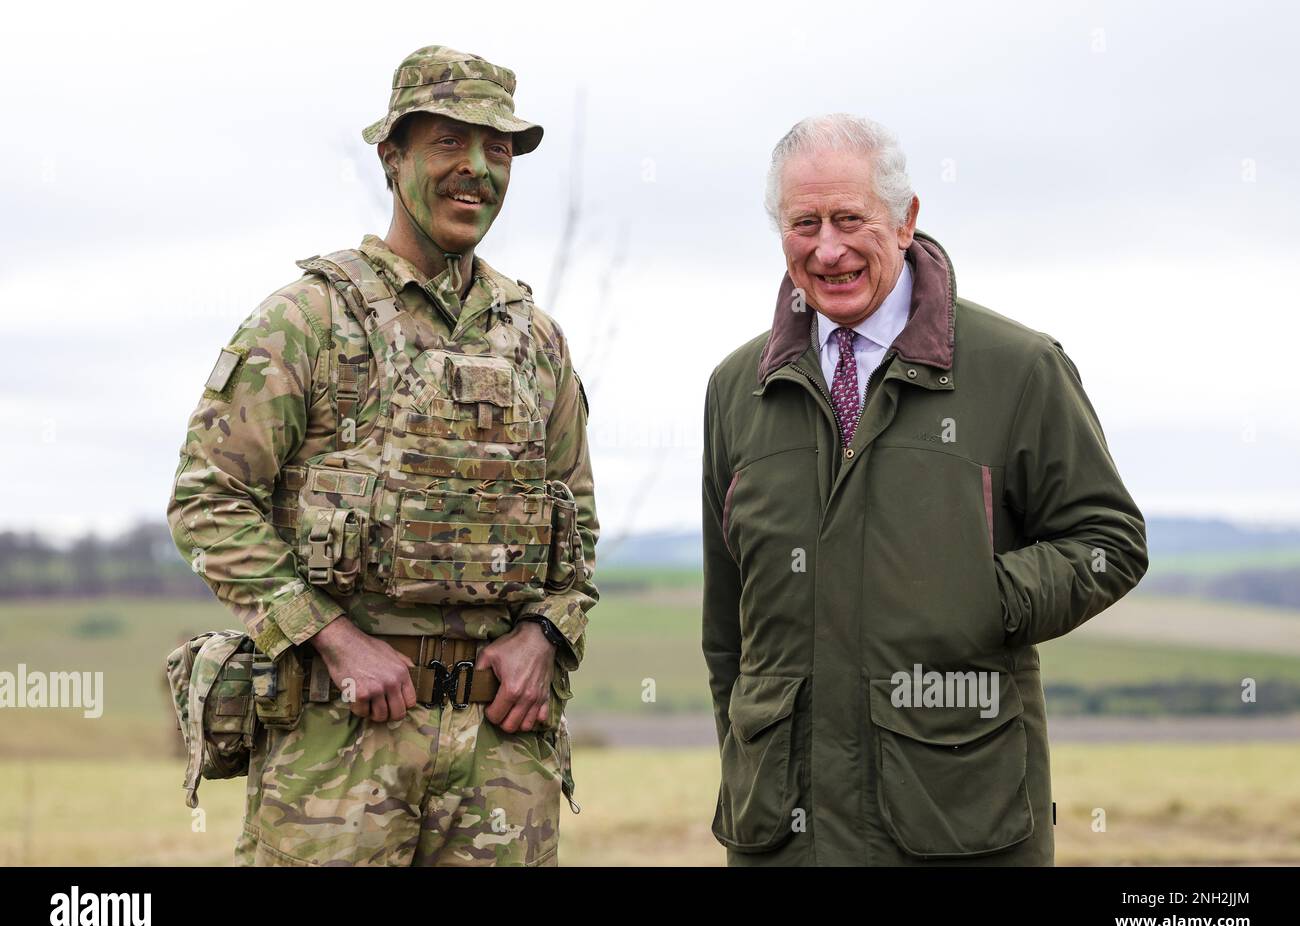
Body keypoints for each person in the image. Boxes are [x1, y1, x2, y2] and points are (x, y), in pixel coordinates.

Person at [167, 45, 598, 867]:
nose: (476, 170)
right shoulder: (308, 320)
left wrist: (546, 632)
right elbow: (208, 500)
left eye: (497, 151)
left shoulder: (536, 339)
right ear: (392, 156)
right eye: (448, 144)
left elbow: (574, 523)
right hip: (338, 752)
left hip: (502, 755)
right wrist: (329, 635)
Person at [701, 113, 1147, 866]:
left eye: (850, 219)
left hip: (961, 824)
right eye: (803, 222)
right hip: (782, 833)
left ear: (906, 220)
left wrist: (984, 594)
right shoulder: (736, 388)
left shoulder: (1018, 368)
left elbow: (1109, 543)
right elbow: (727, 634)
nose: (828, 247)